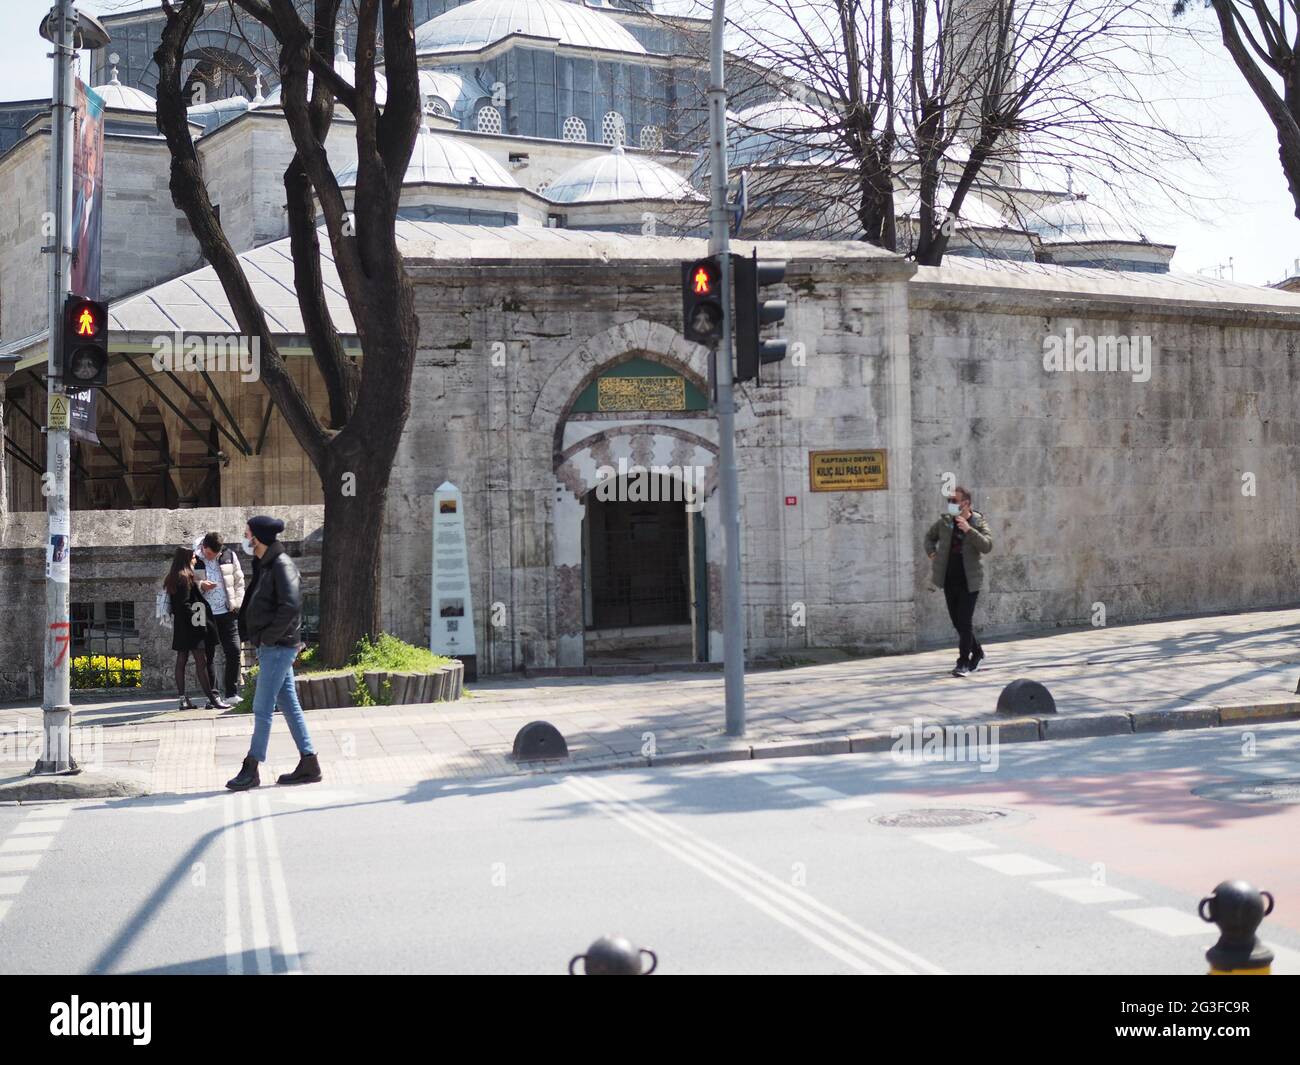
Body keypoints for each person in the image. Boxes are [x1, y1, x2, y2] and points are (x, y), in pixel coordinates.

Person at [226, 514, 321, 791]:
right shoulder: (266, 564)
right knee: (289, 704)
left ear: (258, 537)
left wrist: (268, 638)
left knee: (262, 707)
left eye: (247, 534)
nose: (245, 538)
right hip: (274, 645)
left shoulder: (281, 565)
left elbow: (290, 606)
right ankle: (309, 763)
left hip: (278, 647)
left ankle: (252, 767)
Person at [924, 486, 993, 677]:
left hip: (970, 580)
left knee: (964, 621)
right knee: (957, 623)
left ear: (966, 504)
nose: (951, 505)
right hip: (949, 579)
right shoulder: (945, 522)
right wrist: (931, 552)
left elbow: (987, 546)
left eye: (955, 501)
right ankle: (977, 652)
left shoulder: (978, 521)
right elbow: (929, 537)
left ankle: (963, 662)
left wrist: (969, 529)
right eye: (950, 501)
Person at [163, 547, 230, 711]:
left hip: (181, 626)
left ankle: (183, 700)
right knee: (202, 662)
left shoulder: (173, 576)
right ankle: (213, 698)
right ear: (186, 559)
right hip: (191, 626)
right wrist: (199, 621)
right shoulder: (184, 577)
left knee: (182, 661)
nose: (195, 559)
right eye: (193, 557)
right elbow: (185, 604)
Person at [193, 532, 246, 701]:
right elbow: (186, 583)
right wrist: (201, 585)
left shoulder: (229, 556)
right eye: (209, 554)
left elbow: (239, 581)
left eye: (215, 555)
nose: (211, 557)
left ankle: (231, 693)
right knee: (208, 655)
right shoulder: (194, 558)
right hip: (204, 612)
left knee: (234, 650)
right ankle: (213, 696)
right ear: (204, 547)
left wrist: (237, 603)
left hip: (227, 611)